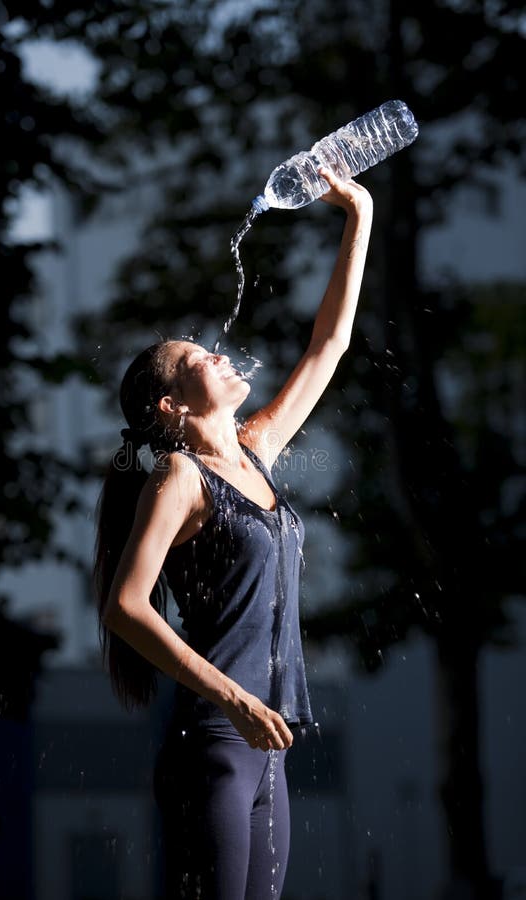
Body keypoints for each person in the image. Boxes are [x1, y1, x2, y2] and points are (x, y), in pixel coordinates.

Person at [95, 168, 373, 899]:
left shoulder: (256, 450)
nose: (219, 355)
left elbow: (330, 343)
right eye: (197, 360)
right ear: (172, 404)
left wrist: (358, 214)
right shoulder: (177, 478)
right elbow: (125, 607)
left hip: (265, 745)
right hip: (216, 740)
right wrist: (236, 702)